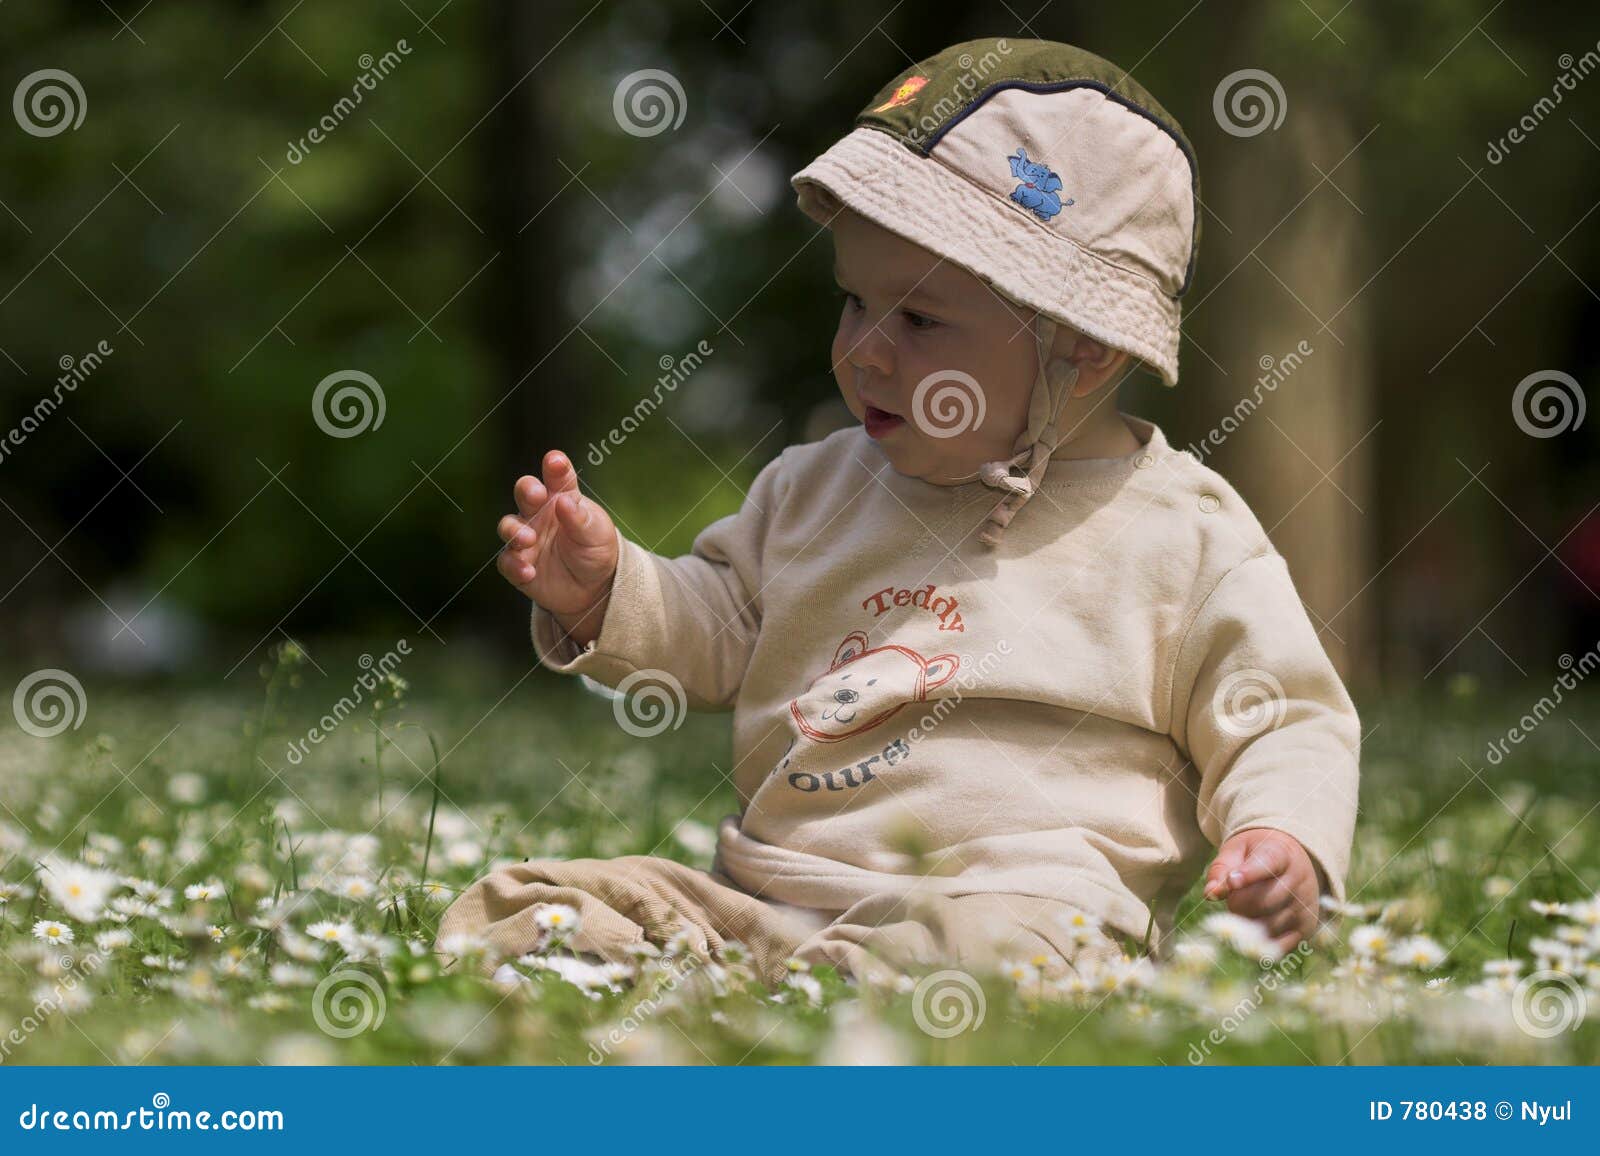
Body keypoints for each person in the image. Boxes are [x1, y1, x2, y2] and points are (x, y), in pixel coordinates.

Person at [439, 37, 1361, 990]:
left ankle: (805, 992)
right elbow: (719, 627)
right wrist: (609, 591)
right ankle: (765, 976)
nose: (865, 353)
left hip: (1024, 906)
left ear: (1085, 347)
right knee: (532, 905)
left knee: (1008, 958)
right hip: (768, 895)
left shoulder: (1184, 534)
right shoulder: (815, 488)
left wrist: (1278, 833)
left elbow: (1285, 715)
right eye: (853, 303)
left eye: (919, 321)